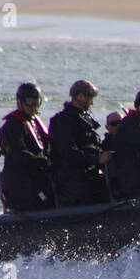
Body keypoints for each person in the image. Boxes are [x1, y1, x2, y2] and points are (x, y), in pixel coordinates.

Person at [48, 79, 111, 207]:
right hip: (72, 183)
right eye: (90, 99)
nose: (92, 102)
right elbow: (67, 152)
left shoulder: (83, 118)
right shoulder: (64, 120)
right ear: (80, 97)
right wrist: (97, 159)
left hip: (89, 177)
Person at [0, 81, 55, 212]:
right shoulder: (12, 126)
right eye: (30, 102)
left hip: (38, 180)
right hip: (21, 184)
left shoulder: (35, 122)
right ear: (19, 102)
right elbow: (19, 155)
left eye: (37, 102)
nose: (34, 107)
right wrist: (45, 162)